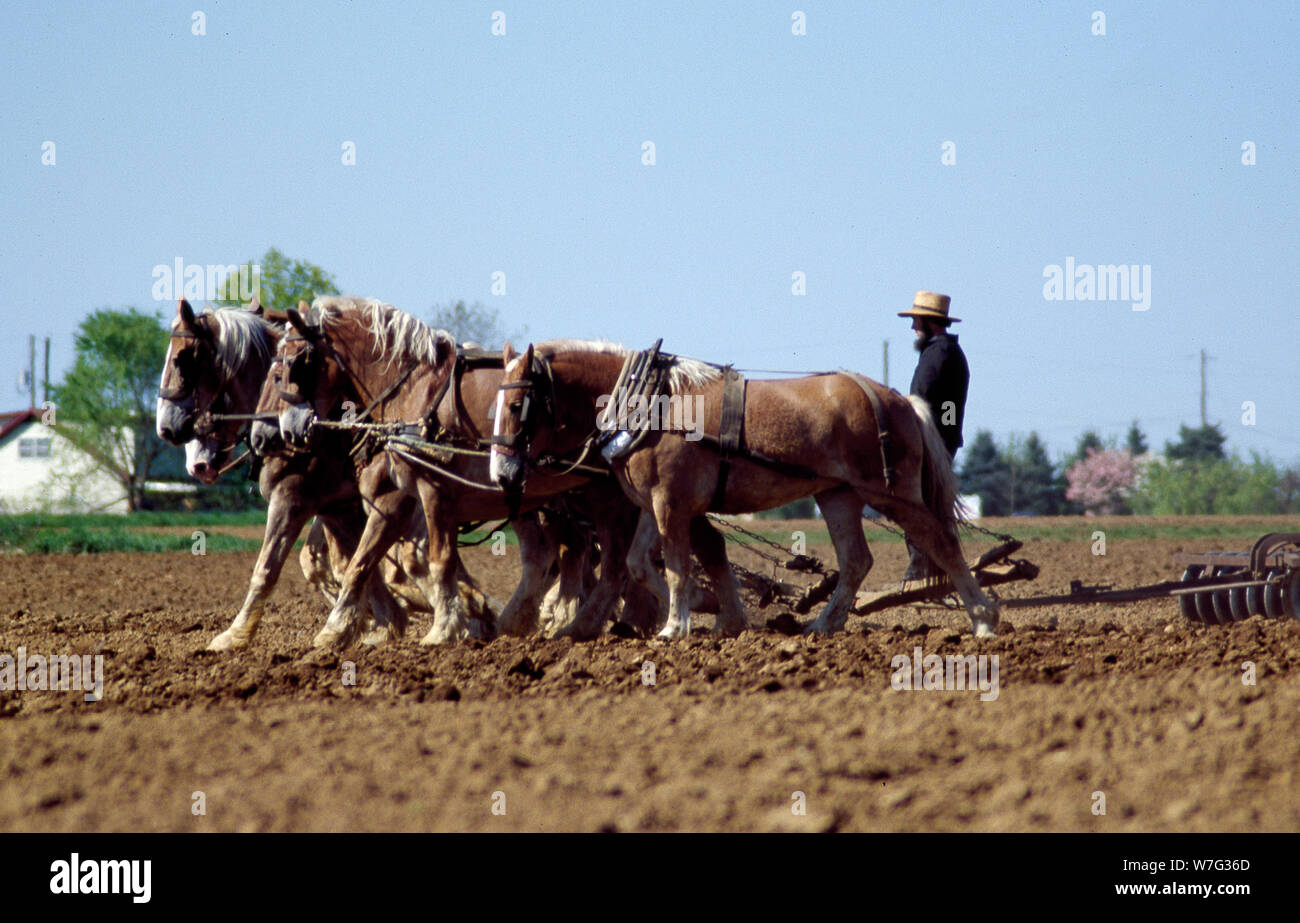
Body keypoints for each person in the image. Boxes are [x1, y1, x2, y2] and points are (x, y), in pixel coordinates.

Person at [897, 291, 969, 583]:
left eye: (916, 320)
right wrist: (947, 433)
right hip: (942, 440)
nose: (913, 327)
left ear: (930, 322)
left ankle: (920, 570)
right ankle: (931, 568)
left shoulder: (938, 353)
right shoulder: (949, 352)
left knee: (917, 505)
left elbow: (922, 396)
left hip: (932, 442)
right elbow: (949, 407)